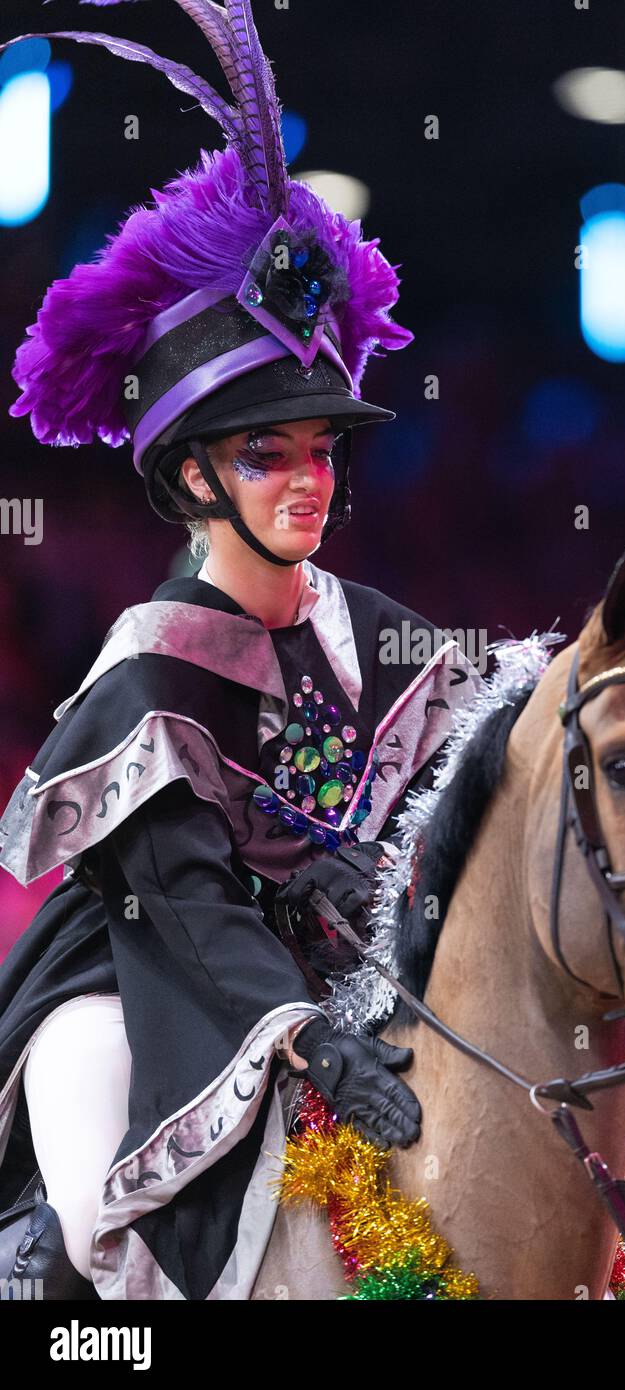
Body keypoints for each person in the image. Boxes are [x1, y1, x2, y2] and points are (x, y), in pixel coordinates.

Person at [0, 2, 486, 1300]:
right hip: (146, 975)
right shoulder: (147, 669)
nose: (309, 479)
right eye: (269, 453)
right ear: (191, 476)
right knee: (105, 1206)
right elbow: (190, 908)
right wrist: (308, 1043)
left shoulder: (384, 633)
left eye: (322, 450)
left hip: (347, 981)